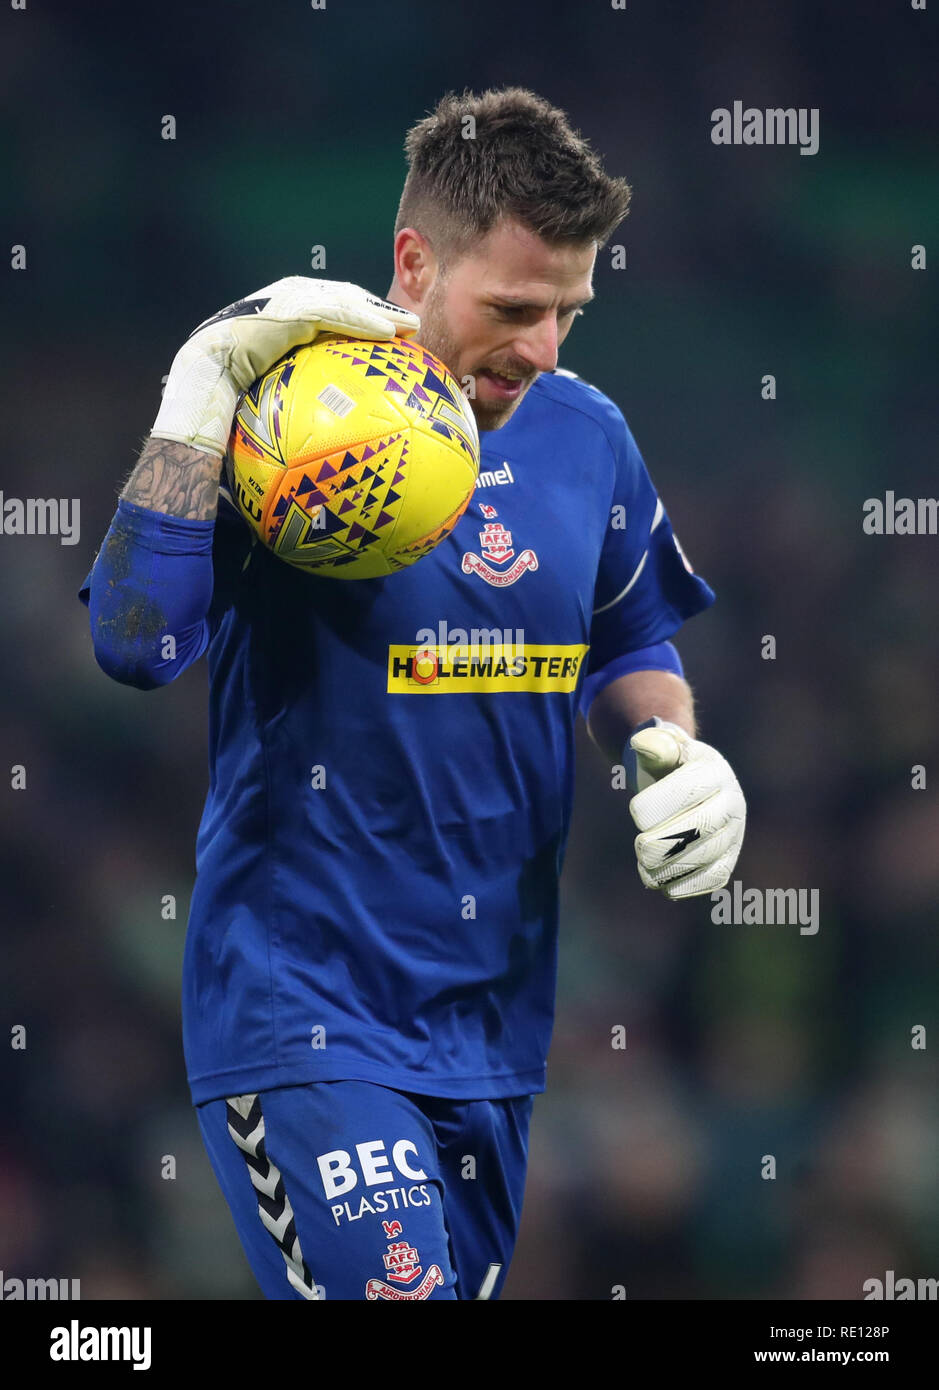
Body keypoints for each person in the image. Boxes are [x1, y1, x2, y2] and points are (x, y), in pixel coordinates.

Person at [79, 87, 745, 1301]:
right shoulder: (291, 423)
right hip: (307, 1007)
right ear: (412, 261)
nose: (543, 348)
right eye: (515, 307)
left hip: (495, 1028)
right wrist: (200, 390)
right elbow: (133, 643)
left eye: (569, 313)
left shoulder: (588, 434)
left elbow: (629, 634)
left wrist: (677, 749)